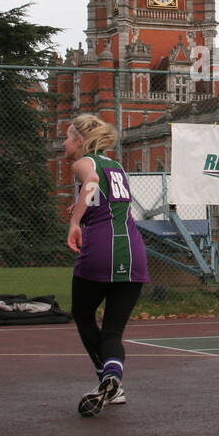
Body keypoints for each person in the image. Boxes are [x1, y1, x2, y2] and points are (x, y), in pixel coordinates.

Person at [64, 113, 148, 417]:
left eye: (68, 136)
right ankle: (114, 378)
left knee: (83, 314)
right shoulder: (118, 166)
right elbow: (107, 198)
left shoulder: (84, 163)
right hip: (134, 251)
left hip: (101, 249)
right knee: (112, 332)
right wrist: (83, 207)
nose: (64, 142)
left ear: (80, 140)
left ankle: (104, 376)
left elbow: (92, 181)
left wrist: (75, 222)